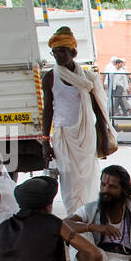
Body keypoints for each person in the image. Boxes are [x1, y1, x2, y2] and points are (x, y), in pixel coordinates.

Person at [41, 27, 118, 216]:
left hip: (87, 136)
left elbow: (98, 111)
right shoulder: (50, 77)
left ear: (73, 53)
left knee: (88, 179)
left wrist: (105, 138)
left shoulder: (88, 77)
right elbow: (47, 110)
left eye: (62, 51)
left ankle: (89, 217)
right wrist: (45, 141)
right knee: (69, 181)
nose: (58, 55)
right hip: (63, 137)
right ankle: (73, 219)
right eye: (55, 52)